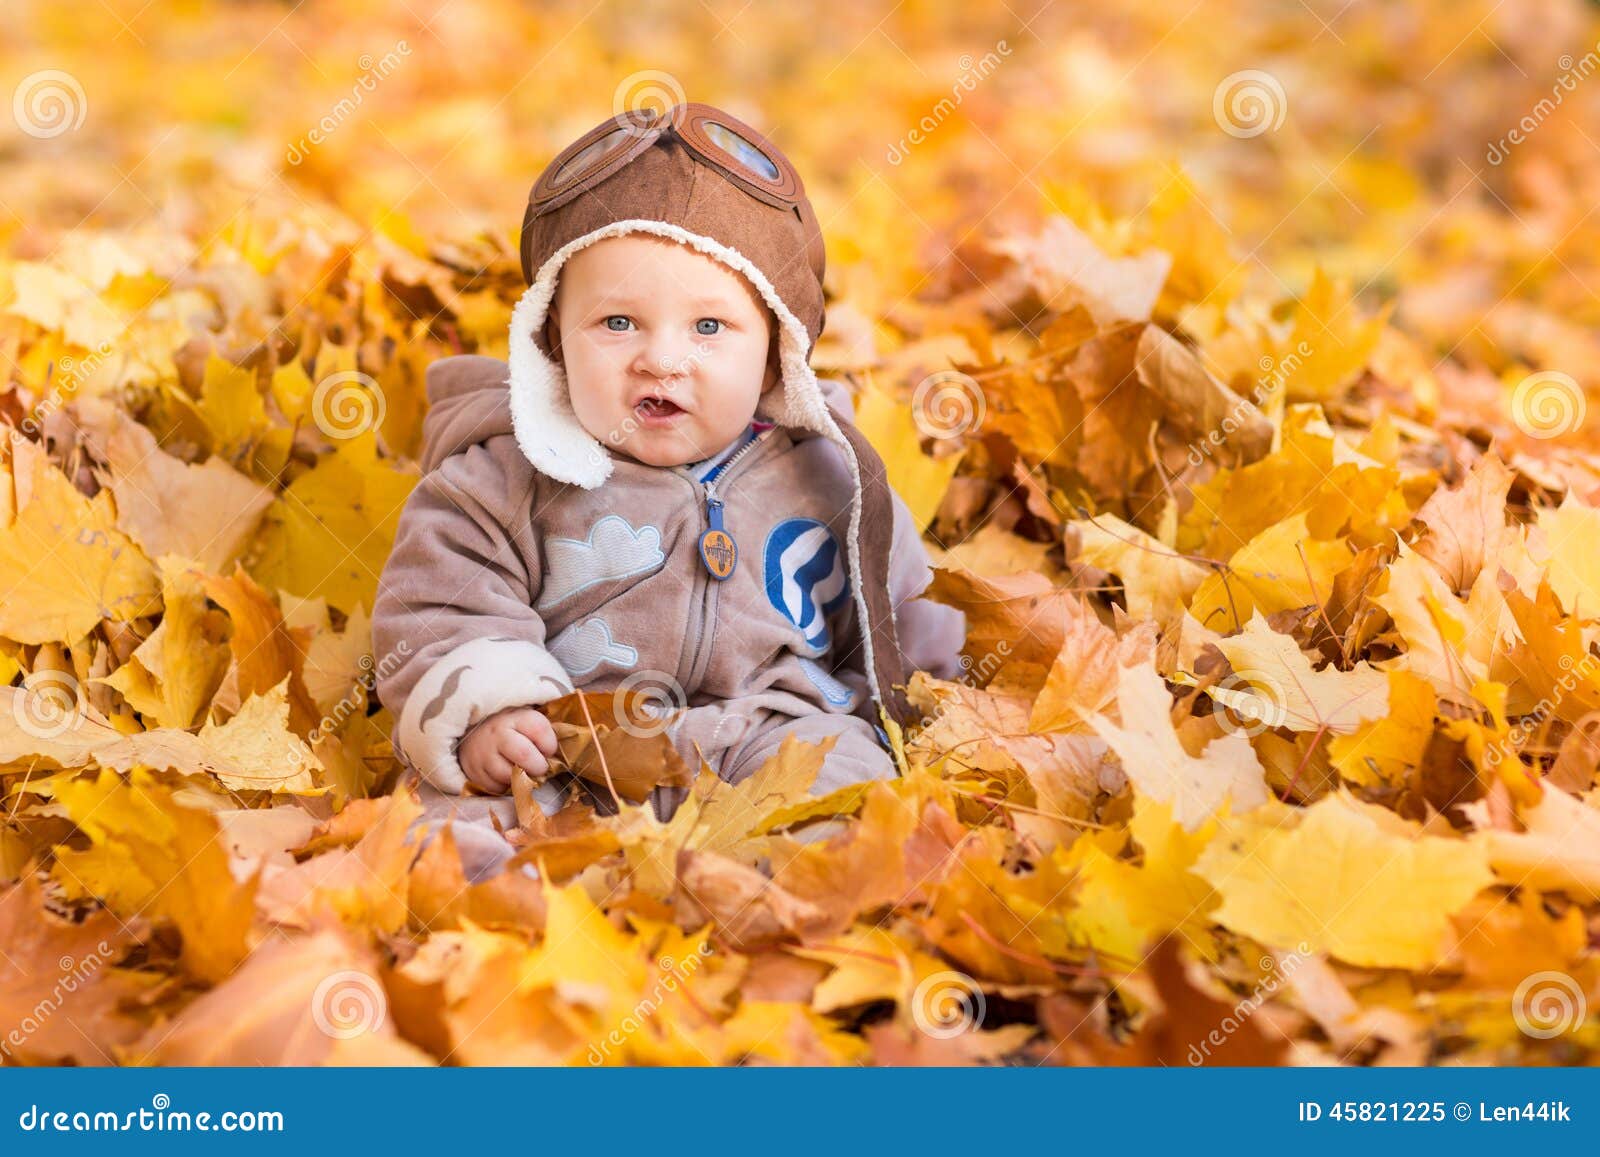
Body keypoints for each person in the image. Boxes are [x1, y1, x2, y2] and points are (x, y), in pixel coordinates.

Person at [371, 102, 966, 881]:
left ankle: (786, 915)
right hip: (568, 738)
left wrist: (943, 704)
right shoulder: (503, 473)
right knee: (447, 827)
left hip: (765, 731)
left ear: (776, 350)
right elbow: (441, 600)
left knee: (850, 797)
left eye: (709, 329)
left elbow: (898, 602)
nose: (661, 359)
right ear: (553, 336)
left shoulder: (826, 469)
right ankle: (509, 931)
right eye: (617, 322)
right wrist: (491, 710)